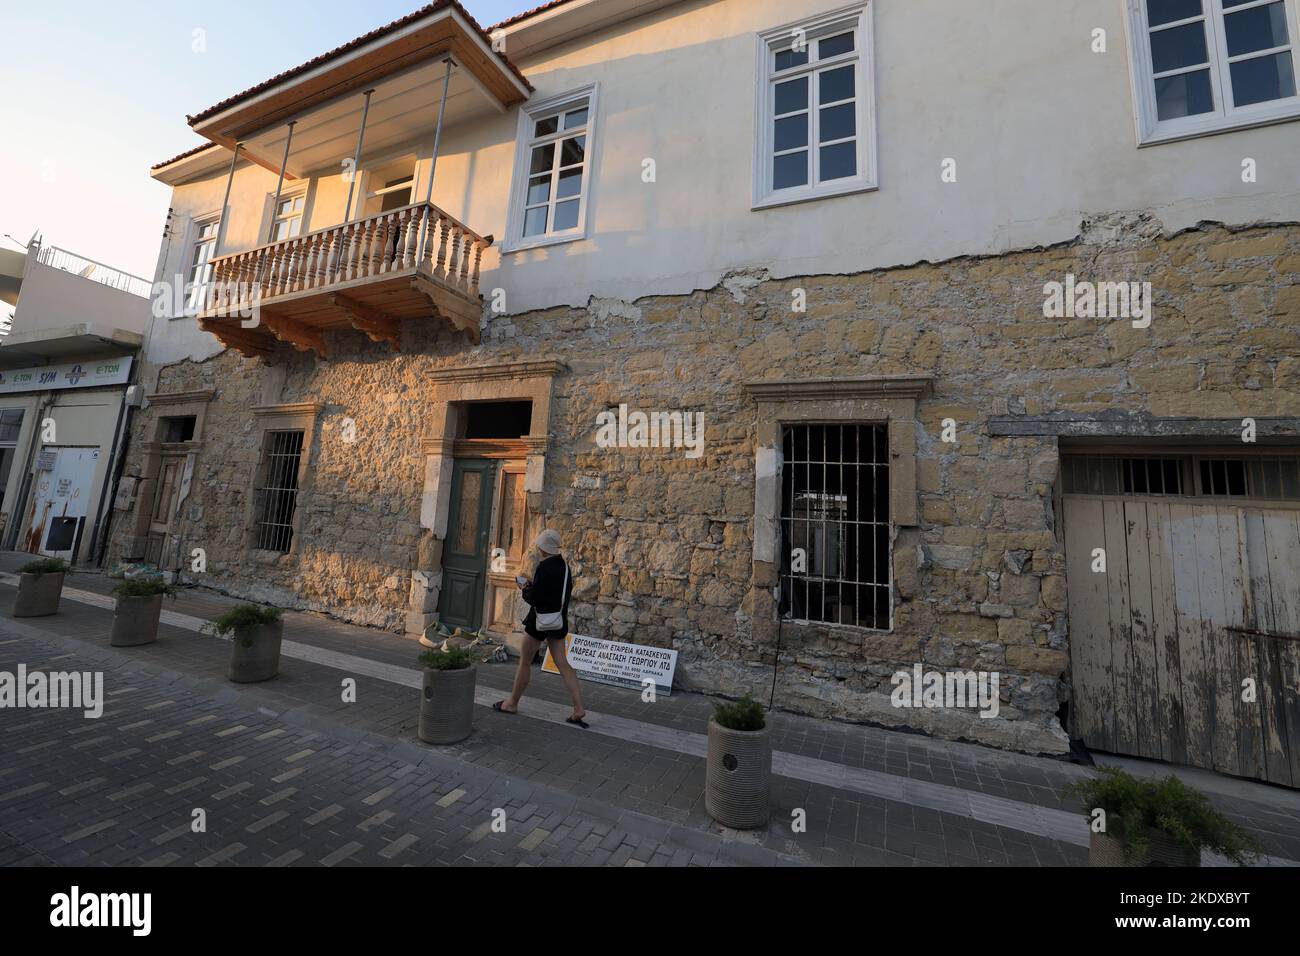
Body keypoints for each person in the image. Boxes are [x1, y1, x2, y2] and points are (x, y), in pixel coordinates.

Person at [493, 529, 588, 728]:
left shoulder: (544, 567)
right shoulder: (564, 567)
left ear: (543, 548)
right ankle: (578, 708)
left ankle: (512, 703)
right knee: (563, 663)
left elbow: (536, 598)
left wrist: (525, 589)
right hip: (558, 621)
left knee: (525, 662)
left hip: (539, 622)